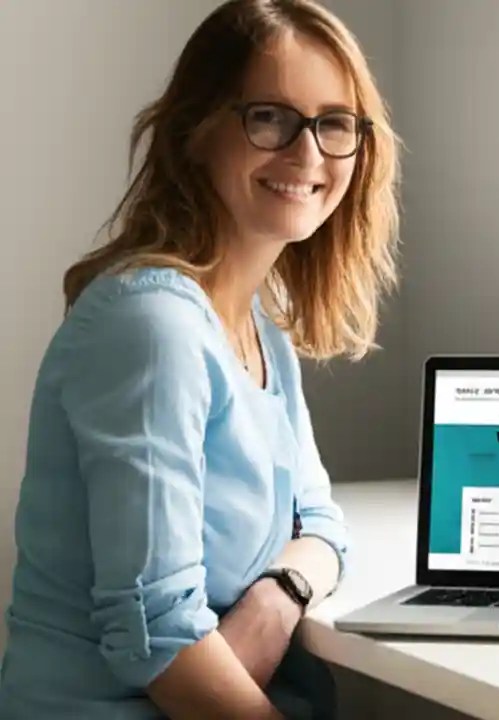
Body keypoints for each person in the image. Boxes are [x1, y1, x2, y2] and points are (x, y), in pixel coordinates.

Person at [0, 0, 399, 717]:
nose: (308, 153)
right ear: (195, 132)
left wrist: (278, 598)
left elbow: (322, 525)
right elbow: (157, 637)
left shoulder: (262, 338)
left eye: (335, 123)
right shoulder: (152, 327)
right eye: (271, 117)